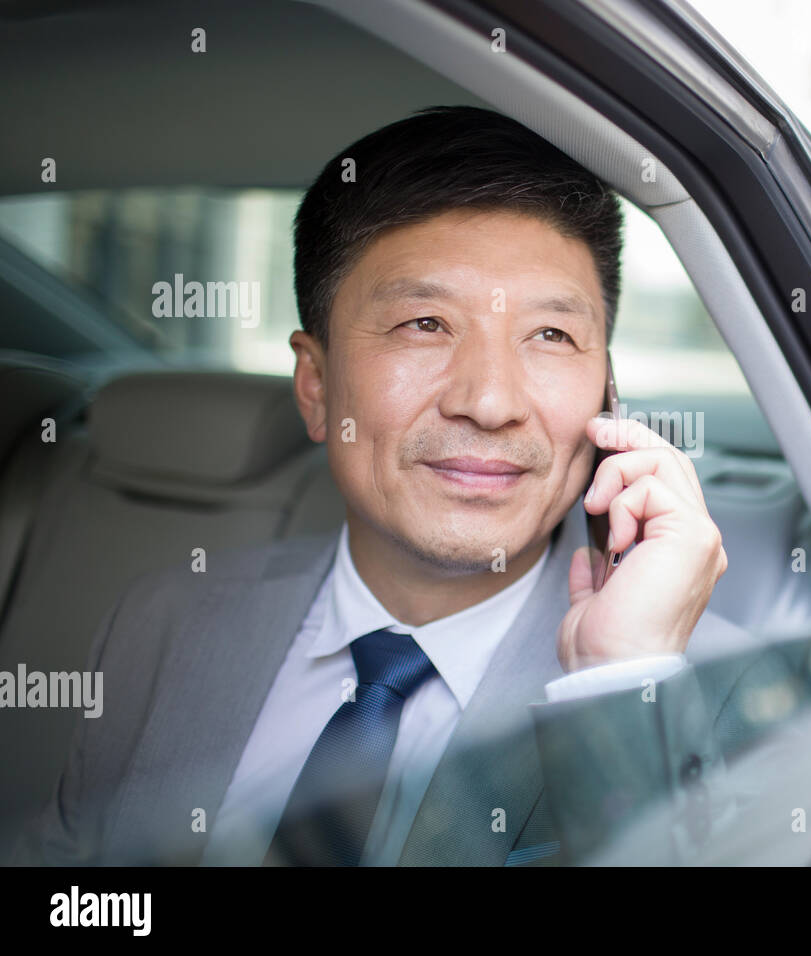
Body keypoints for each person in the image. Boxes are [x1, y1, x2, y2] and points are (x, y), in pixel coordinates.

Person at [12, 106, 772, 867]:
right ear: (315, 386)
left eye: (551, 335)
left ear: (607, 397)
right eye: (424, 324)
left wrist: (623, 683)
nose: (491, 402)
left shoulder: (714, 698)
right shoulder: (165, 623)